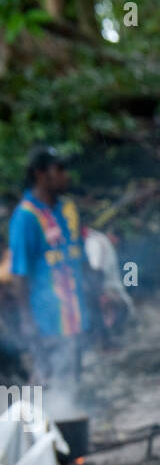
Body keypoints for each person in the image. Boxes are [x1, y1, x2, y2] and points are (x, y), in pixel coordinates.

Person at [8, 146, 91, 387]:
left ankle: (72, 421)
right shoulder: (25, 217)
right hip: (46, 320)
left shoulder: (68, 209)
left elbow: (80, 258)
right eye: (60, 169)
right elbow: (19, 275)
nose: (66, 176)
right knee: (49, 381)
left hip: (76, 315)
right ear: (40, 174)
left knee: (73, 380)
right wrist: (27, 321)